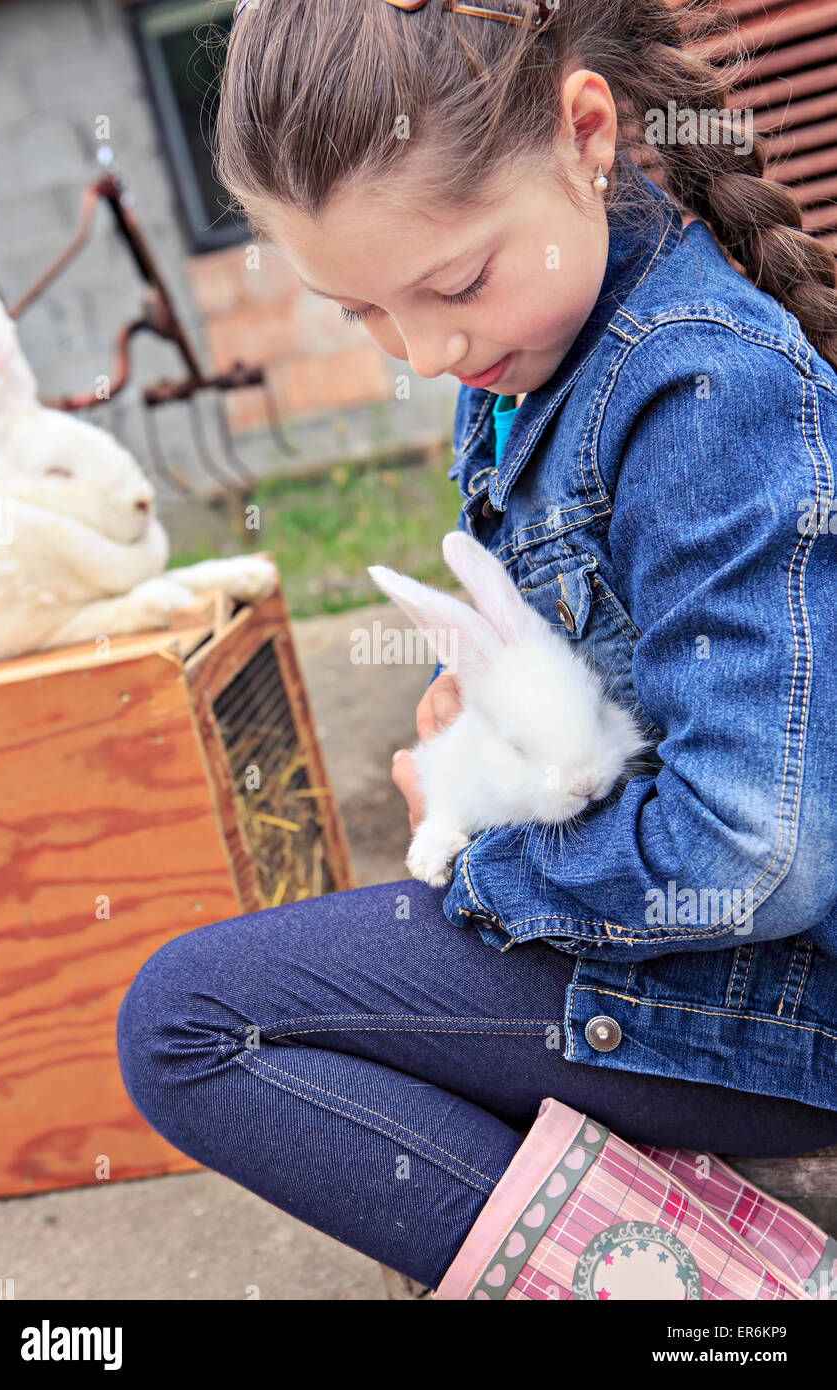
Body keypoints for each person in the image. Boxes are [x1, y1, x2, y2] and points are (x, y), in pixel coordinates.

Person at [116, 0, 837, 1293]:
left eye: (453, 283)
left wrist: (492, 872)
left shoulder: (703, 387)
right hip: (682, 921)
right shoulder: (534, 352)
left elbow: (754, 857)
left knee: (190, 1024)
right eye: (363, 314)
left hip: (782, 983)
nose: (429, 348)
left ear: (584, 132)